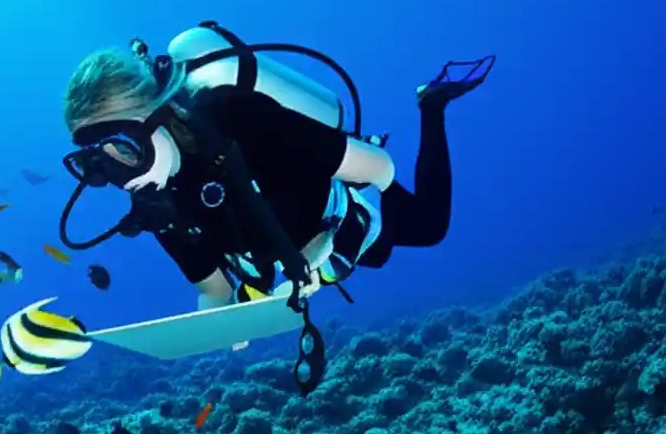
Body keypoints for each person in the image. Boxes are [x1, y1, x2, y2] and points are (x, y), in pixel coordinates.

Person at [57, 21, 494, 391]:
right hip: (293, 246)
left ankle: (431, 105)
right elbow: (213, 288)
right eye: (96, 166)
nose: (122, 176)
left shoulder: (240, 120)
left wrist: (330, 251)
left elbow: (379, 167)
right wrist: (222, 328)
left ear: (157, 112)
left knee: (432, 227)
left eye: (122, 147)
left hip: (346, 204)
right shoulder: (157, 203)